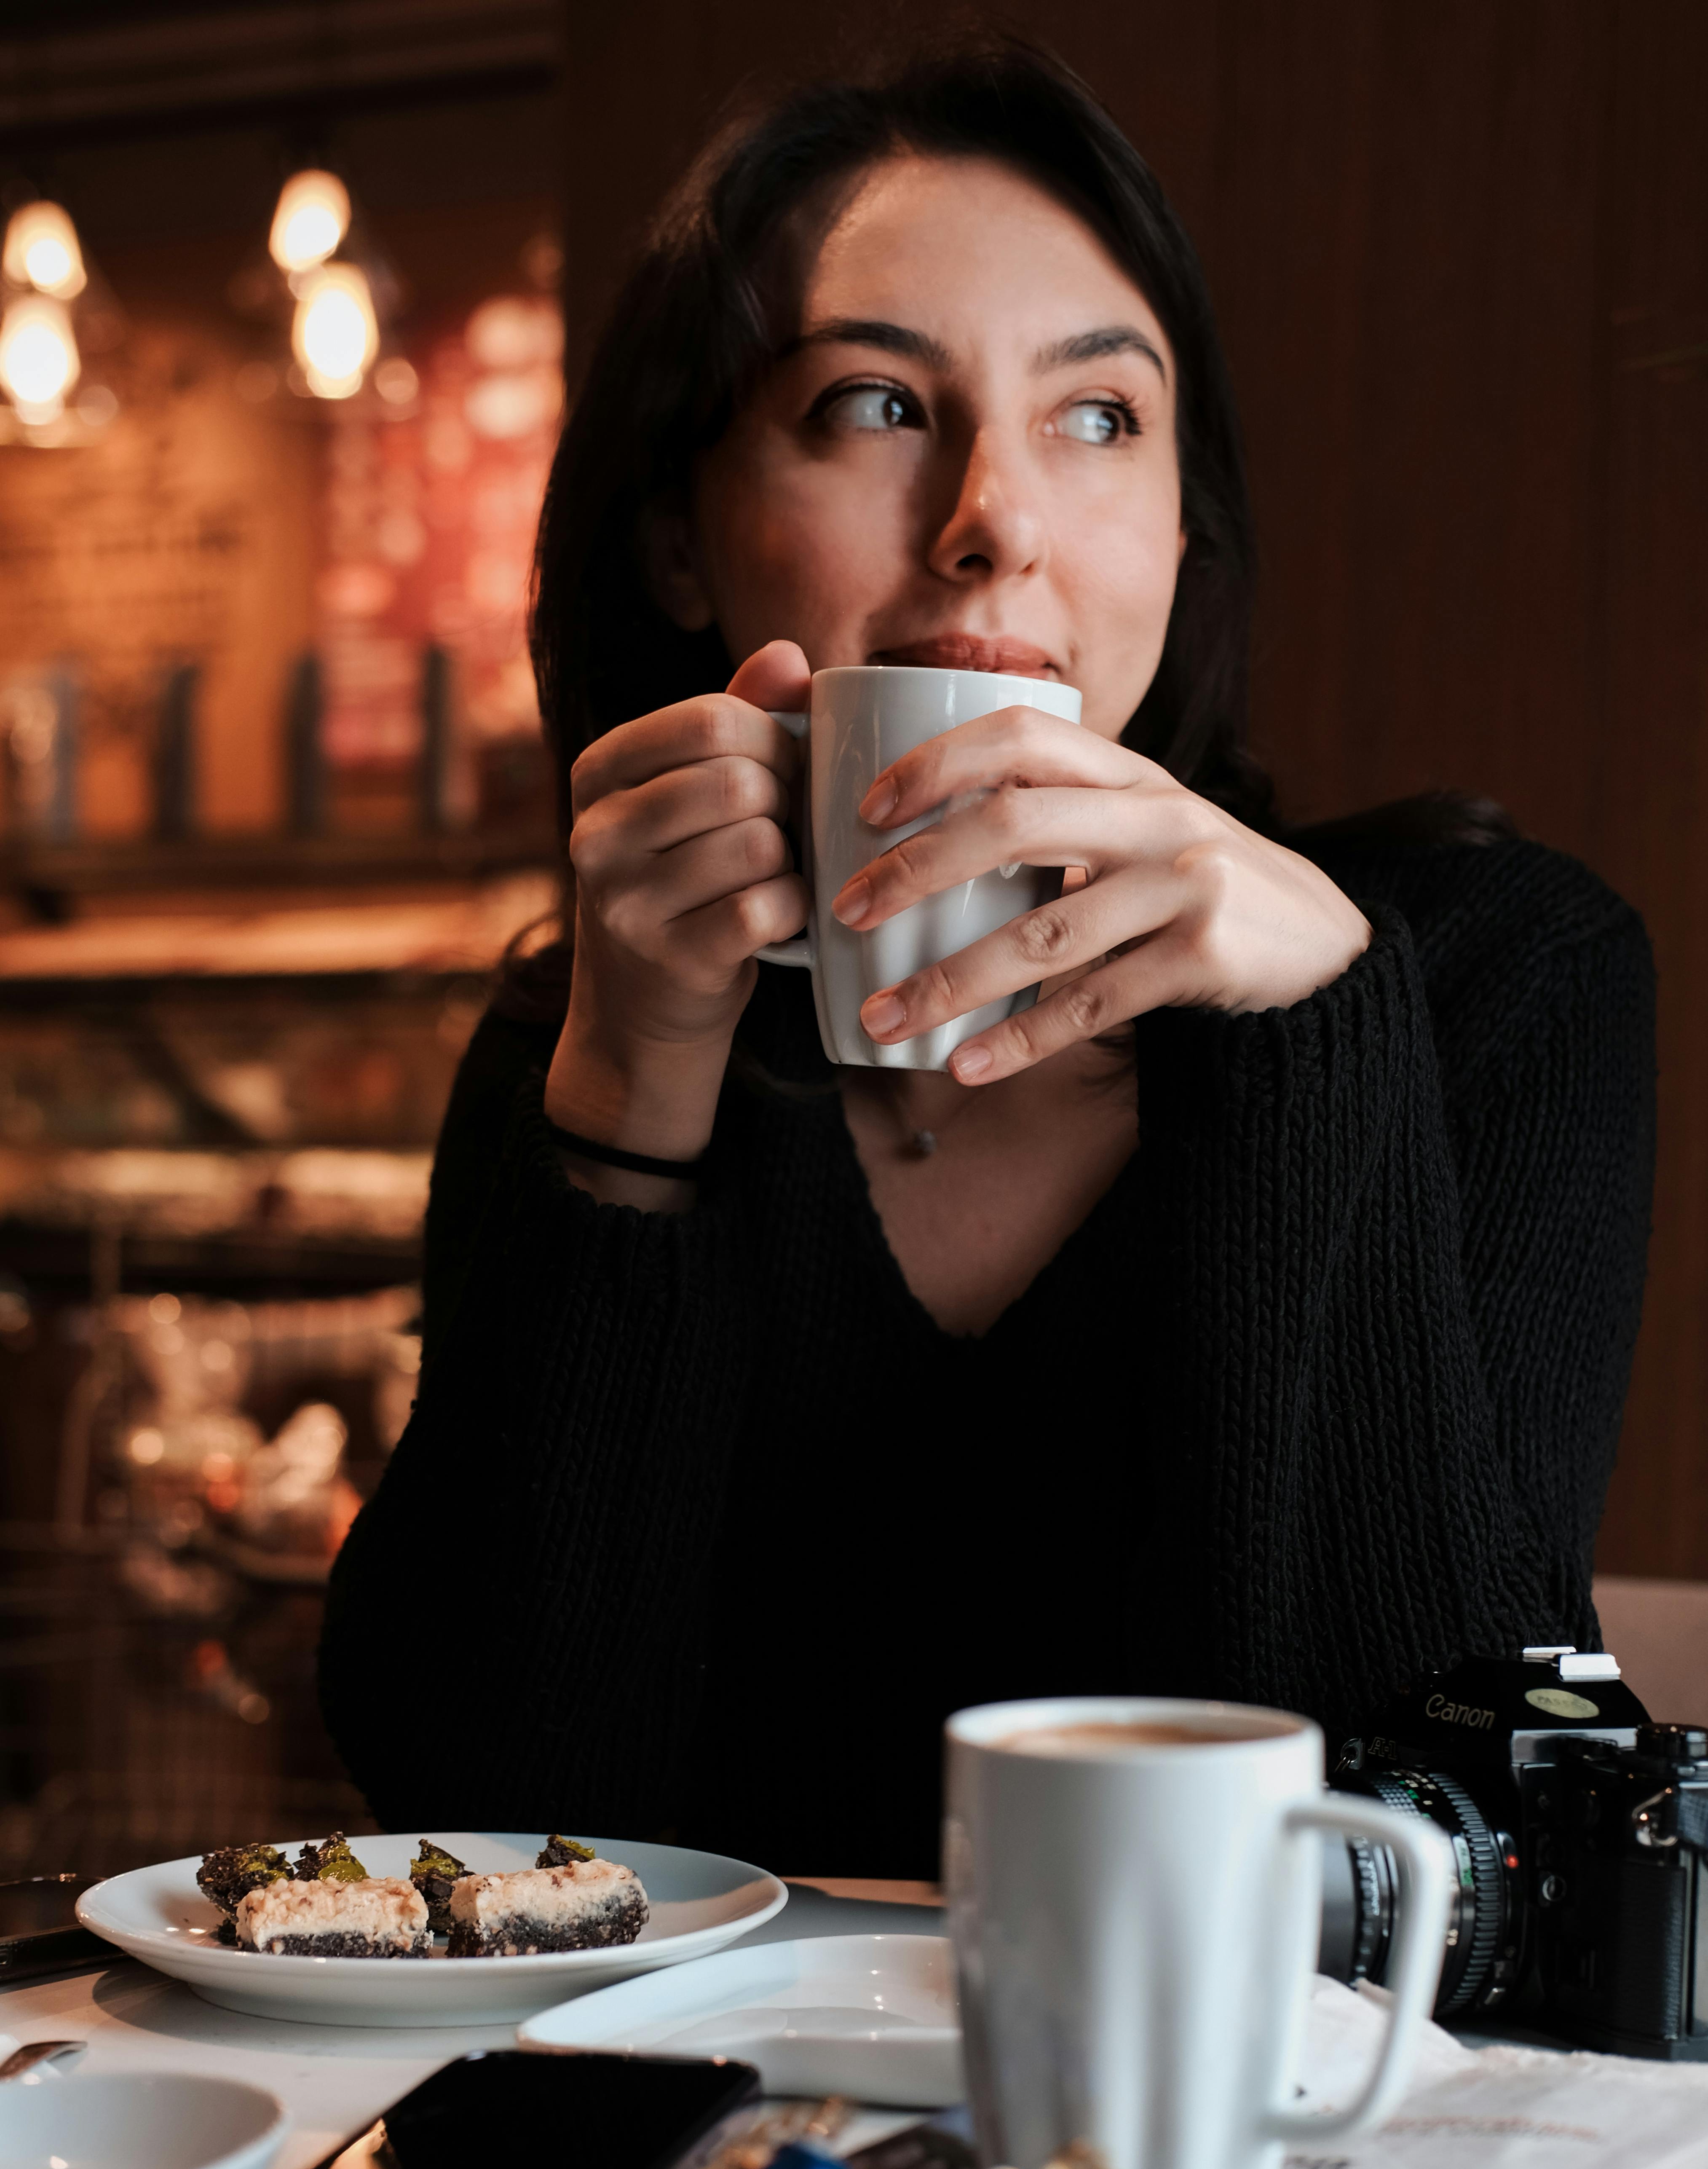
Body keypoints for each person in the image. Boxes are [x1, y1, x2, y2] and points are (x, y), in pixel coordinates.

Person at [319, 38, 1654, 1882]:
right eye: (875, 406)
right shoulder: (585, 1044)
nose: (998, 519)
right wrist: (628, 1119)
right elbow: (475, 1821)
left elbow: (1464, 1828)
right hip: (742, 2141)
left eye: (1100, 417)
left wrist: (1321, 1031)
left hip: (1286, 2147)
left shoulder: (1496, 977)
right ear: (679, 535)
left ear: (1182, 531)